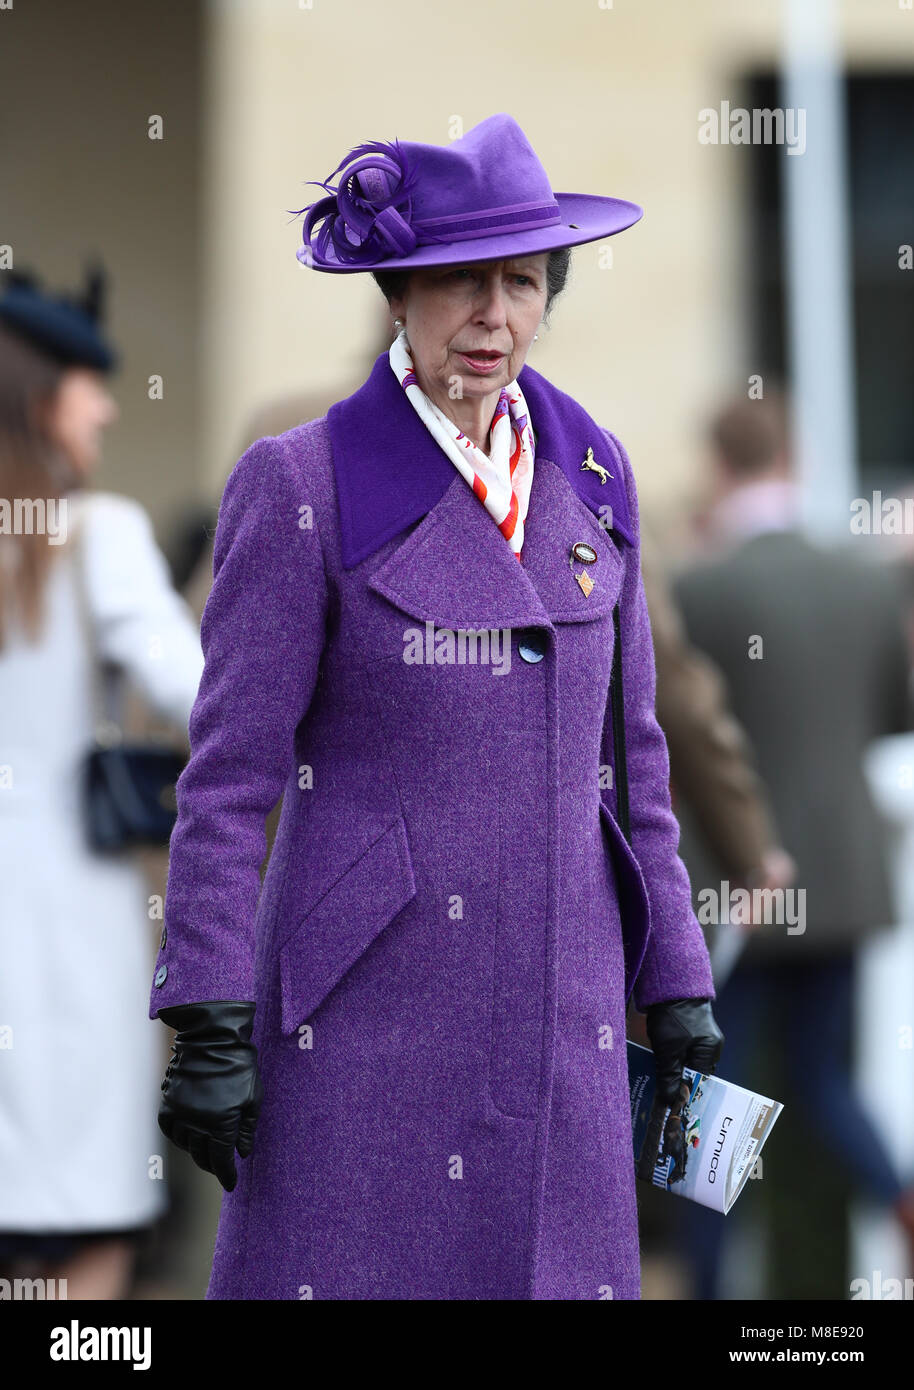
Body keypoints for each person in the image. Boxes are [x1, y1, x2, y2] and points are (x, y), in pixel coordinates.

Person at [149, 113, 723, 1301]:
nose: (494, 316)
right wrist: (206, 1008)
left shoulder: (597, 471)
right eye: (461, 281)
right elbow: (228, 777)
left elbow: (639, 769)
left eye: (521, 282)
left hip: (565, 1004)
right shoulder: (299, 481)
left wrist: (676, 982)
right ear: (397, 294)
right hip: (361, 1016)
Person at [672, 386, 914, 1297]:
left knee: (711, 1108)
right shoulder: (864, 580)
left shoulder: (699, 586)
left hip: (733, 888)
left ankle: (711, 1288)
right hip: (844, 880)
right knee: (823, 1083)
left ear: (720, 467)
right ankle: (900, 1197)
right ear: (792, 462)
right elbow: (896, 714)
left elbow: (673, 736)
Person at [0, 264, 205, 1299]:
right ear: (40, 394)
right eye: (91, 382)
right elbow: (206, 697)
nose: (111, 407)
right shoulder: (101, 537)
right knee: (87, 1229)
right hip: (64, 939)